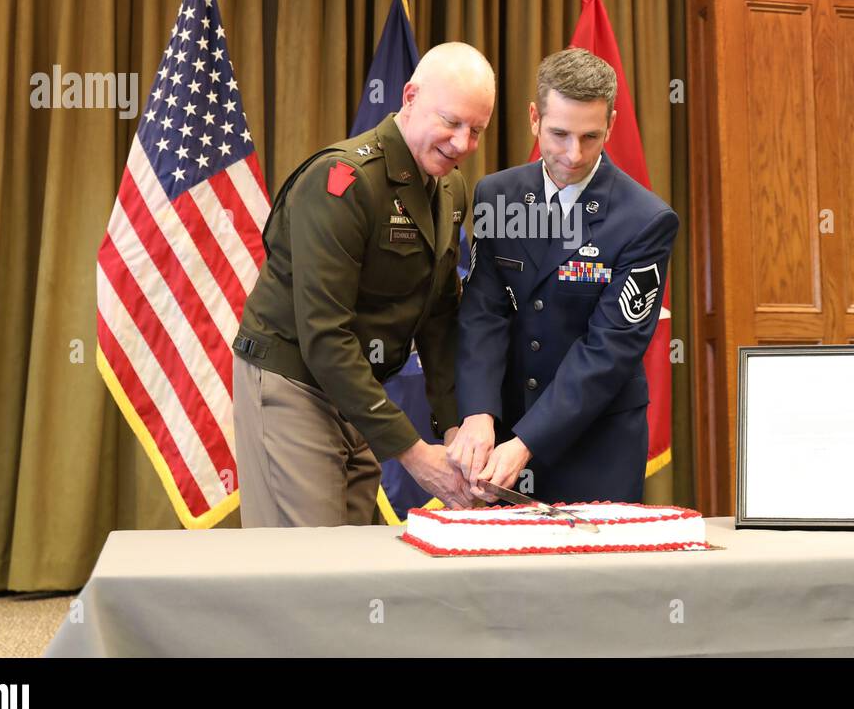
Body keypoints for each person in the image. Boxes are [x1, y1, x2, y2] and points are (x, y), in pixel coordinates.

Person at [232, 42, 495, 527]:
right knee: (305, 567)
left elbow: (439, 317)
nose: (462, 143)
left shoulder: (451, 188)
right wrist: (416, 455)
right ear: (410, 96)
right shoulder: (343, 182)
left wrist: (455, 425)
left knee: (352, 560)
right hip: (295, 380)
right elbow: (324, 335)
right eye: (451, 122)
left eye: (475, 130)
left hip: (358, 388)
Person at [449, 47, 678, 504]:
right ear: (534, 118)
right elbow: (483, 312)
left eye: (591, 137)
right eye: (559, 134)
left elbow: (608, 350)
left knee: (593, 574)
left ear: (611, 125)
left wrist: (528, 442)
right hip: (503, 430)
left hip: (597, 443)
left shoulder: (645, 219)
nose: (573, 154)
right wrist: (478, 412)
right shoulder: (497, 195)